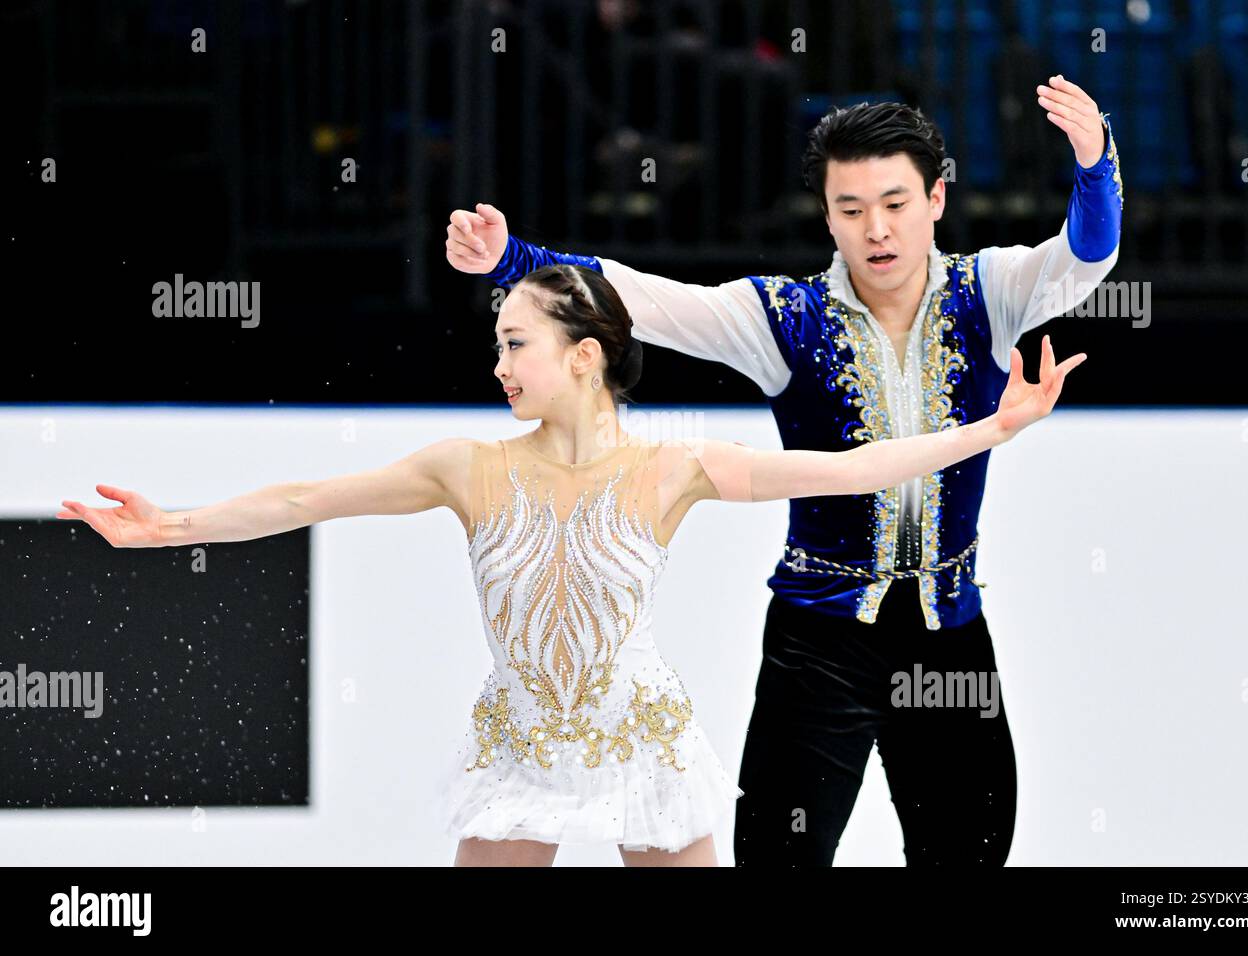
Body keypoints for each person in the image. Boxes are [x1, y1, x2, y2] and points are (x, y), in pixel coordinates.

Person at [57, 263, 1084, 867]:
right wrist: (171, 524)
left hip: (641, 733)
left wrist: (990, 427)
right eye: (497, 346)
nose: (499, 365)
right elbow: (301, 500)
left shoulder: (673, 469)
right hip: (516, 740)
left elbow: (858, 463)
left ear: (583, 355)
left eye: (517, 344)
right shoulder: (464, 468)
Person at [445, 77, 1121, 865]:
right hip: (818, 645)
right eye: (852, 209)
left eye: (896, 204)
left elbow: (1087, 255)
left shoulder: (989, 293)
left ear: (937, 198)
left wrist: (1093, 158)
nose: (877, 230)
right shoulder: (784, 318)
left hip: (949, 641)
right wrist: (512, 260)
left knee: (968, 854)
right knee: (777, 855)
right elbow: (648, 300)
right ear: (827, 215)